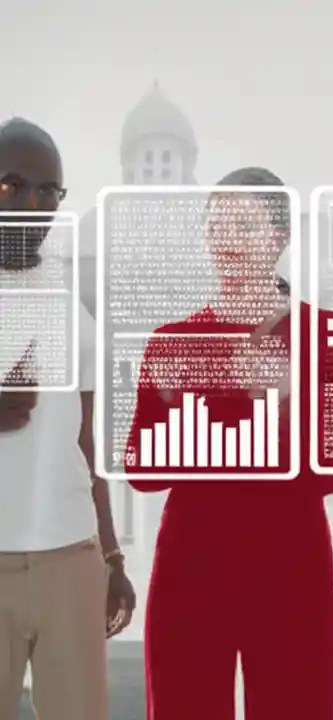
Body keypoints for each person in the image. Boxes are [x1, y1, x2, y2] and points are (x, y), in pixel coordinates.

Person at [124, 167, 333, 720]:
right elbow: (141, 470)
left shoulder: (329, 337)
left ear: (281, 237)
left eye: (246, 225)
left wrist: (281, 398)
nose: (228, 240)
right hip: (190, 570)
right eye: (217, 226)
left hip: (289, 570)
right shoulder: (171, 342)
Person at [0, 117, 135, 720]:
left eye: (47, 191)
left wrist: (111, 558)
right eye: (11, 186)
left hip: (70, 562)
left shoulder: (69, 303)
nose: (31, 204)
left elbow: (88, 444)